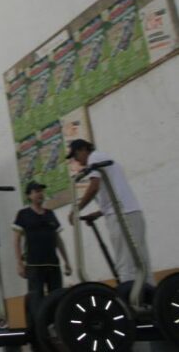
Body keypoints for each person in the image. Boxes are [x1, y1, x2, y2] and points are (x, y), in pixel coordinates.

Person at [67, 138, 152, 284]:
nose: (76, 160)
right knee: (140, 258)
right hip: (129, 212)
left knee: (125, 260)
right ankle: (150, 294)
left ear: (83, 150)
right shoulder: (103, 158)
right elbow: (114, 193)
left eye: (75, 156)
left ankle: (131, 297)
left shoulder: (95, 158)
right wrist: (100, 212)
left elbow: (94, 187)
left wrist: (75, 209)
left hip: (121, 215)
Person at [13, 181, 72, 326]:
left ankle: (56, 328)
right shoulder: (23, 214)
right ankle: (38, 333)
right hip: (34, 265)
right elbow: (16, 240)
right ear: (29, 195)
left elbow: (58, 240)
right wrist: (20, 263)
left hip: (53, 264)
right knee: (36, 301)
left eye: (41, 191)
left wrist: (67, 262)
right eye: (36, 191)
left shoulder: (50, 214)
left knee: (57, 299)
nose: (40, 193)